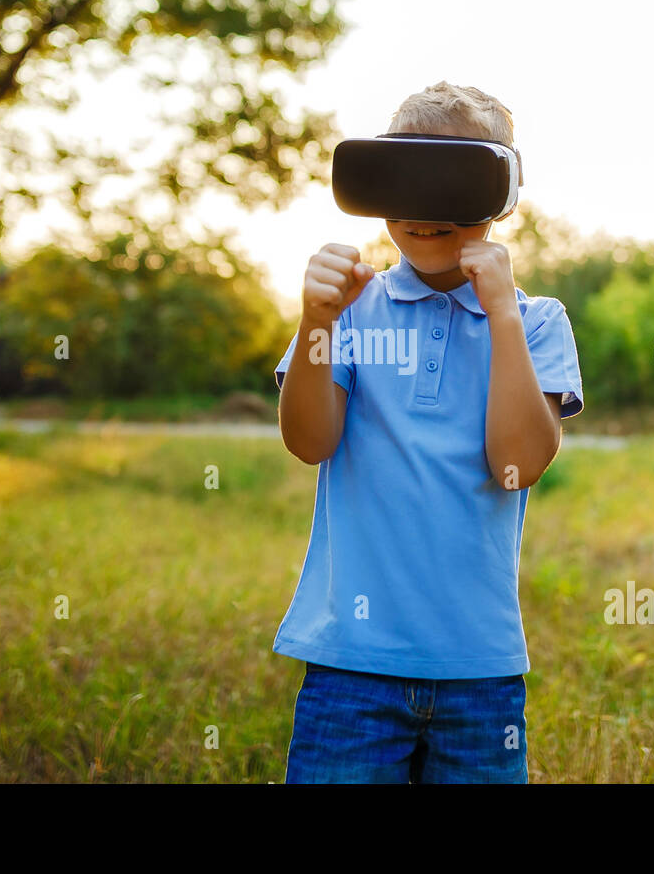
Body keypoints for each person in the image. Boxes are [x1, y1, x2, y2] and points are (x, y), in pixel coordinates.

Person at [273, 80, 584, 782]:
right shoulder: (353, 307)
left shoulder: (537, 321)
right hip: (350, 661)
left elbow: (517, 464)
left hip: (479, 669)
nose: (427, 208)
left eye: (455, 179)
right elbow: (309, 441)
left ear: (500, 196)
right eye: (407, 176)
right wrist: (318, 318)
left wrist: (500, 315)